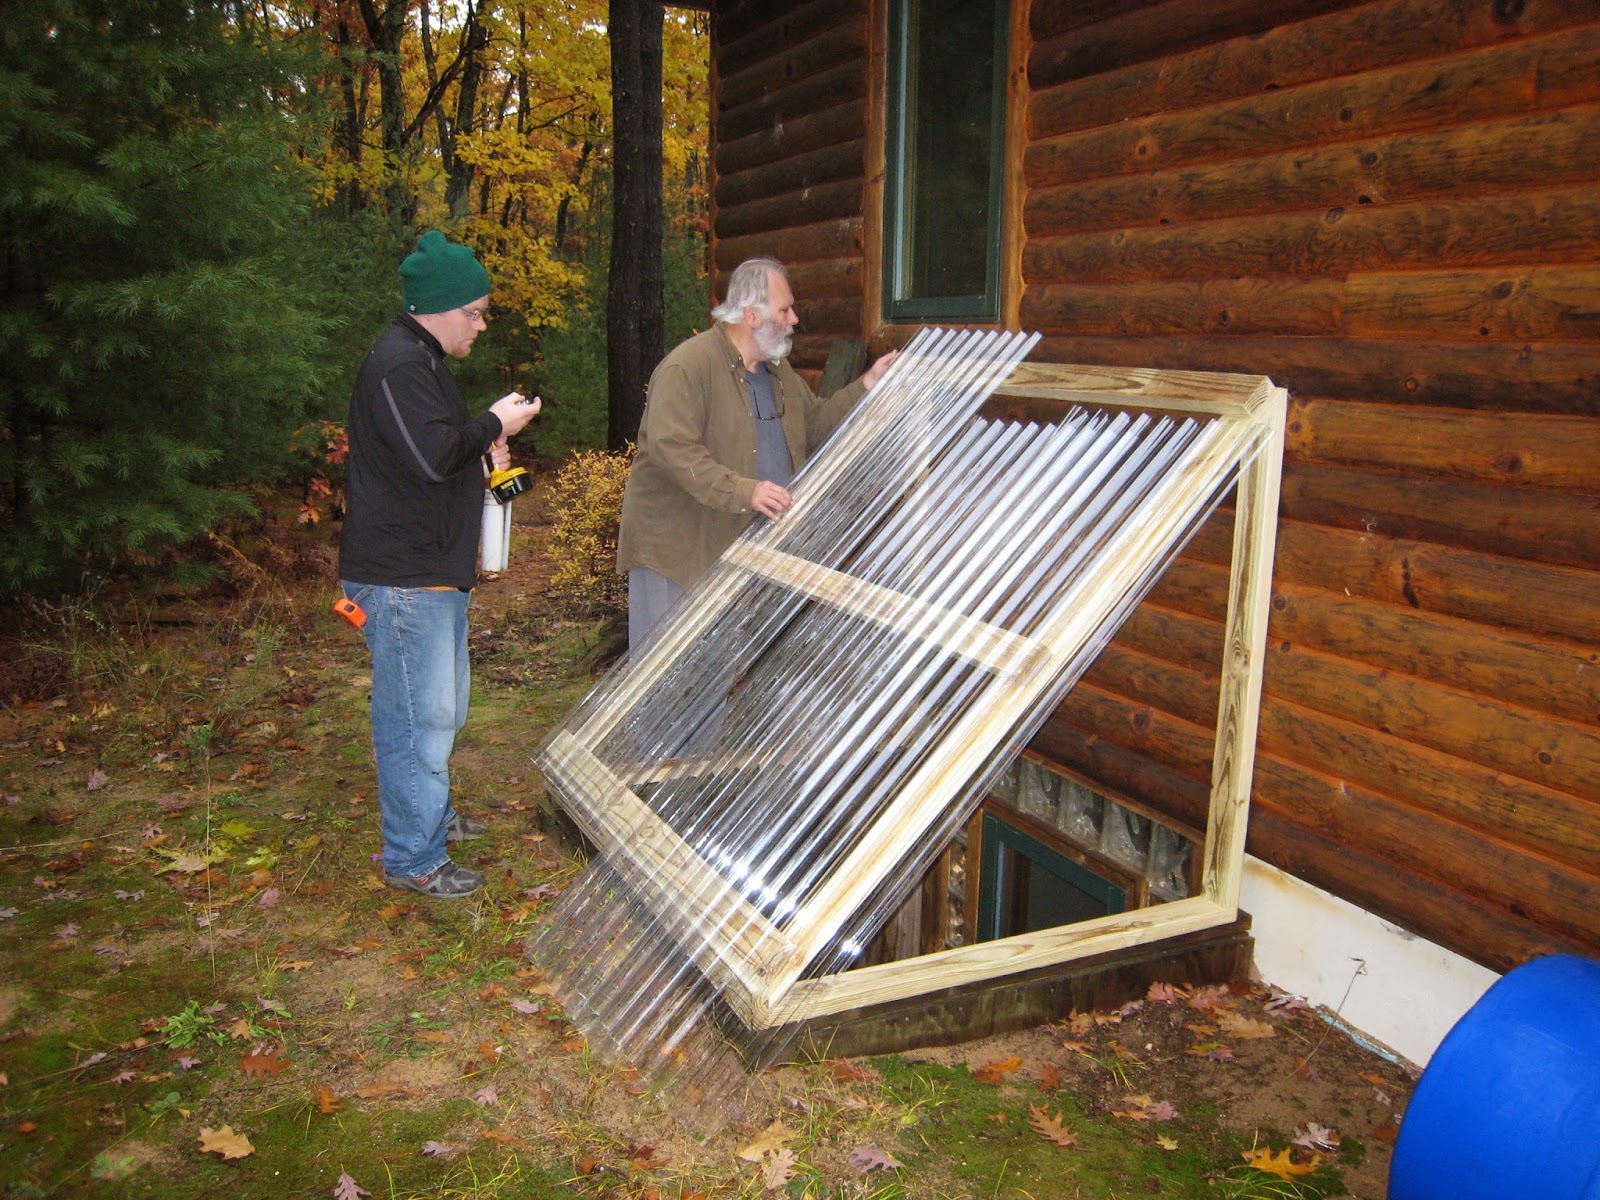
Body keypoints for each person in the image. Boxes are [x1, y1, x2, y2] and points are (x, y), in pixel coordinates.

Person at [338, 230, 541, 898]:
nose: (481, 324)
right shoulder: (398, 365)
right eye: (475, 312)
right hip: (400, 580)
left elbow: (436, 457)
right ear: (439, 306)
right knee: (416, 720)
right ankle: (413, 858)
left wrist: (487, 455)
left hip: (431, 575)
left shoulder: (423, 366)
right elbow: (433, 457)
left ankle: (433, 818)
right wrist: (492, 424)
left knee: (443, 713)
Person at [616, 257, 897, 647]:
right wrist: (746, 491)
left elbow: (814, 427)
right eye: (785, 309)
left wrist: (867, 384)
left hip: (735, 553)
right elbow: (672, 451)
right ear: (751, 315)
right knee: (662, 682)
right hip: (678, 554)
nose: (794, 319)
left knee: (711, 675)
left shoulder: (778, 372)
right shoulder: (688, 366)